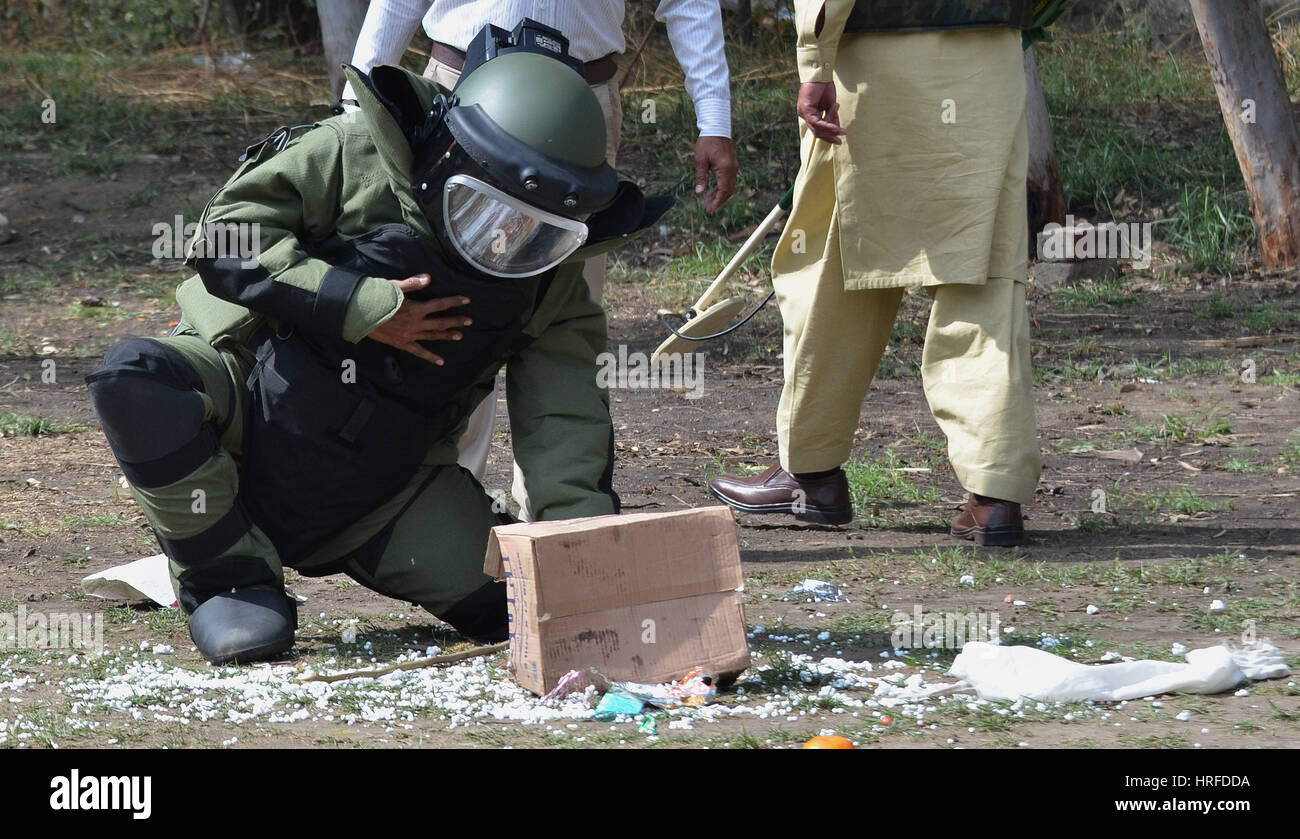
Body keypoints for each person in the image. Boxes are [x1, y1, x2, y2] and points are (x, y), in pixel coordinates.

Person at [87, 20, 670, 664]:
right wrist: (362, 306)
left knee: (516, 611)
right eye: (491, 209)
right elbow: (225, 240)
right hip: (250, 413)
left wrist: (582, 560)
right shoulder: (351, 154)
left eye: (537, 230)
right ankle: (229, 579)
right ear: (452, 151)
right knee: (138, 379)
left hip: (389, 492)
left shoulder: (553, 279)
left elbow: (565, 421)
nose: (508, 240)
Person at [342, 0, 738, 519]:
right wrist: (355, 104)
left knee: (566, 313)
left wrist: (715, 118)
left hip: (577, 109)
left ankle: (560, 511)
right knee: (450, 304)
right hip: (460, 94)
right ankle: (442, 506)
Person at [707, 0, 1043, 547]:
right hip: (988, 63)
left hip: (874, 68)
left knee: (832, 265)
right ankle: (994, 497)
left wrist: (814, 64)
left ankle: (811, 474)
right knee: (979, 270)